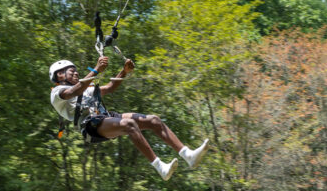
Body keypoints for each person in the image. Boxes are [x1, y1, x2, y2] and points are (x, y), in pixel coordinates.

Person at [49, 57, 209, 181]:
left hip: (105, 117)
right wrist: (96, 69)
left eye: (76, 71)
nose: (76, 73)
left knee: (153, 120)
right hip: (90, 126)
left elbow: (111, 87)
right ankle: (161, 168)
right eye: (71, 71)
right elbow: (75, 92)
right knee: (130, 124)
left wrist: (124, 71)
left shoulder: (87, 87)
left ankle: (188, 155)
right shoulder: (57, 92)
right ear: (60, 75)